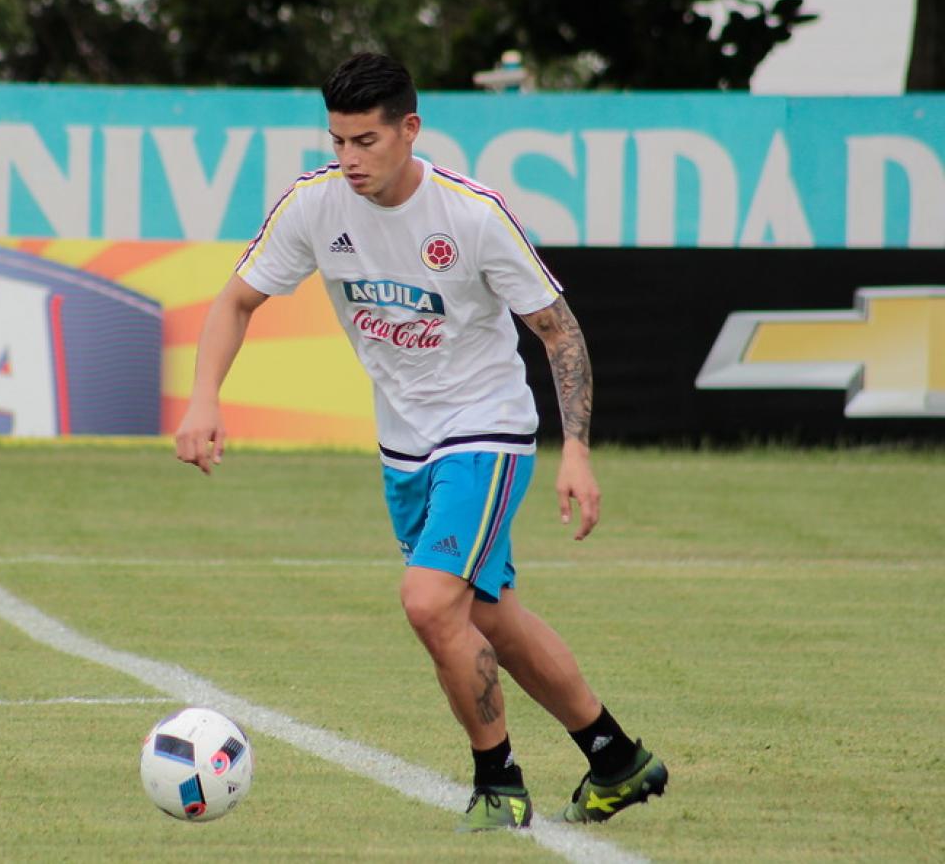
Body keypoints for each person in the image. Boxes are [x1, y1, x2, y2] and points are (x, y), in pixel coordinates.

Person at [175, 52, 667, 831]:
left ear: (411, 130)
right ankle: (616, 757)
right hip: (405, 446)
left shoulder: (470, 215)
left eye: (365, 141)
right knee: (490, 615)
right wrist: (205, 399)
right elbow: (236, 301)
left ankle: (497, 782)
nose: (348, 160)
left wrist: (575, 450)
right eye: (337, 142)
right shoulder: (314, 206)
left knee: (429, 600)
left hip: (487, 426)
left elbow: (558, 332)